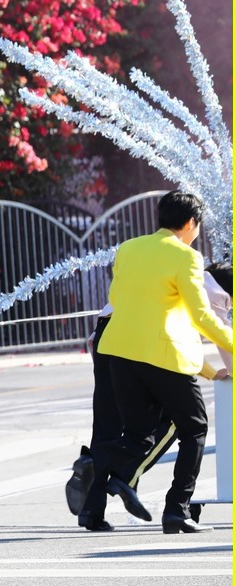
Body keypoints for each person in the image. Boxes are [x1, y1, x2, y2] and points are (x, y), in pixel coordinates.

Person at [91, 191, 233, 534]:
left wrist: (209, 370)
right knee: (194, 429)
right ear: (191, 223)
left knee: (139, 433)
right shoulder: (187, 257)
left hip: (118, 352)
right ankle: (176, 510)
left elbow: (118, 299)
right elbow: (201, 316)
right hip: (163, 355)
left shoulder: (129, 249)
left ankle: (97, 465)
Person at [70, 264, 231, 530]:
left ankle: (92, 509)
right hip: (142, 343)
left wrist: (211, 373)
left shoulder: (166, 271)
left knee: (107, 426)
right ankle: (125, 475)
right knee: (177, 420)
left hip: (107, 335)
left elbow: (183, 340)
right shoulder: (213, 289)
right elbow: (222, 336)